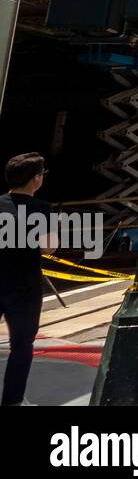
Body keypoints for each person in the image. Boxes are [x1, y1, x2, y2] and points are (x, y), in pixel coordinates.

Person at [0, 153, 52, 406]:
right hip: (24, 287)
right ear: (35, 180)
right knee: (21, 345)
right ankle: (12, 400)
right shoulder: (41, 209)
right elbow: (49, 248)